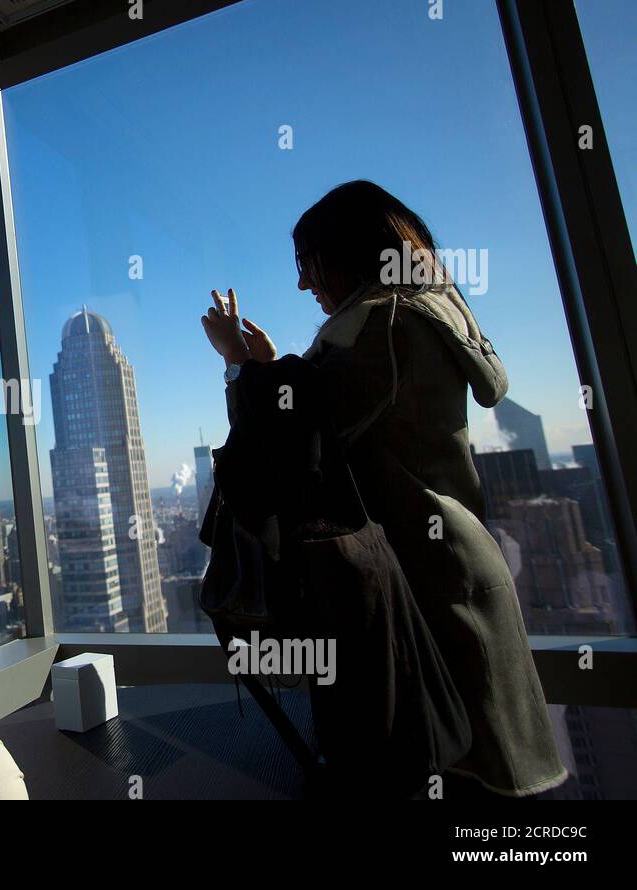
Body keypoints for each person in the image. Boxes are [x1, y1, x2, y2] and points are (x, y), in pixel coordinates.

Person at [201, 179, 566, 798]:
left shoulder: (385, 327)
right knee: (462, 765)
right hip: (442, 570)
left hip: (414, 588)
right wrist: (265, 370)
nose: (302, 284)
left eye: (309, 265)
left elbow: (296, 443)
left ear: (349, 254)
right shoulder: (419, 317)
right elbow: (332, 415)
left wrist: (240, 366)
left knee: (437, 767)